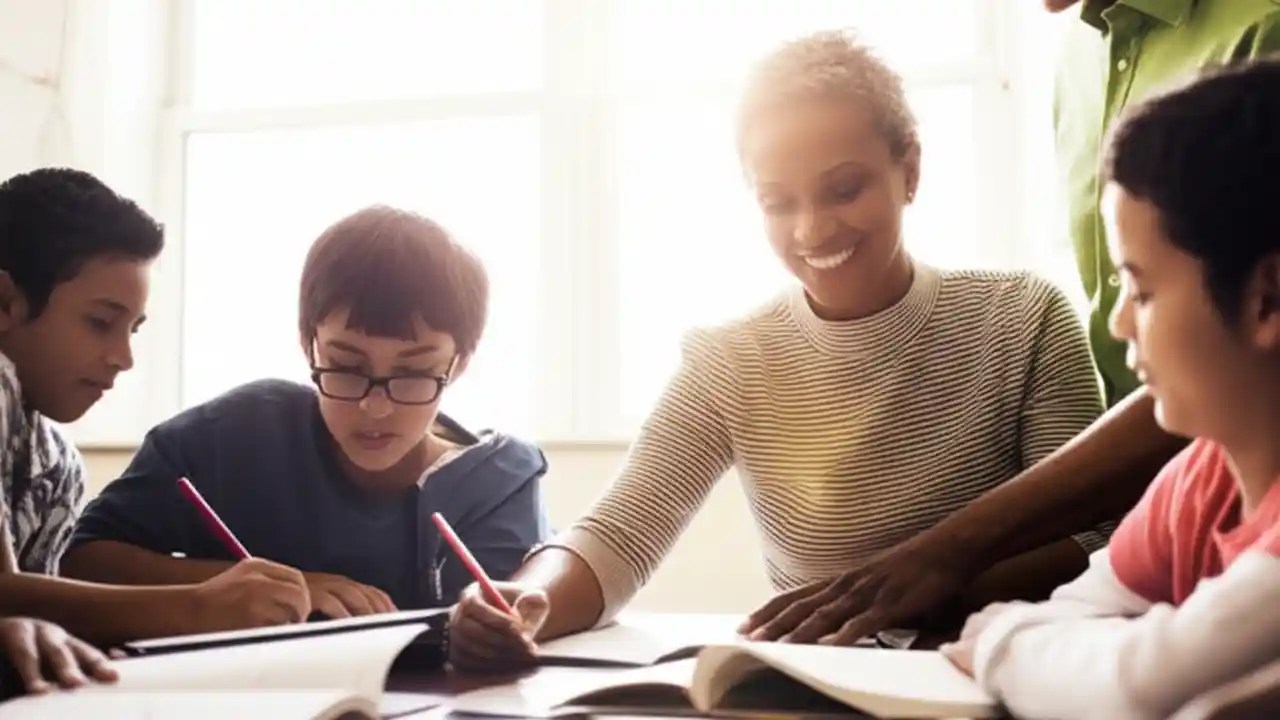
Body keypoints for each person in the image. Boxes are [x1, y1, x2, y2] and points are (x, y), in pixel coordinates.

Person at [445, 30, 1106, 670]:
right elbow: (616, 536)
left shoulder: (1025, 319)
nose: (813, 228)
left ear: (910, 169)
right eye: (777, 202)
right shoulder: (730, 359)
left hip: (1000, 675)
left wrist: (938, 587)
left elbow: (1096, 539)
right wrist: (525, 600)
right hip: (820, 688)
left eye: (844, 189)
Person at [740, 0, 1280, 645]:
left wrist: (955, 552)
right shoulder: (1078, 59)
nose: (1117, 325)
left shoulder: (1262, 25)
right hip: (1164, 517)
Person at [943, 58, 1280, 720]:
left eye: (1143, 289)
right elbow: (1077, 611)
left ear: (1267, 298)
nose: (1120, 321)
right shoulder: (1198, 479)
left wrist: (999, 641)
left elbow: (1136, 685)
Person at [63, 205, 550, 616]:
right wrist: (229, 587)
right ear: (307, 345)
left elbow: (514, 623)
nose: (373, 407)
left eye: (414, 373)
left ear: (458, 364)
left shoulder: (499, 482)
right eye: (344, 365)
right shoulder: (231, 437)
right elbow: (79, 559)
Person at [0, 168, 308, 696]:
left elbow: (36, 614)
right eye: (100, 322)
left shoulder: (56, 462)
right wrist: (198, 606)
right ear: (5, 303)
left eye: (133, 329)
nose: (122, 358)